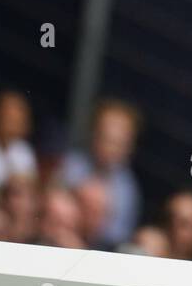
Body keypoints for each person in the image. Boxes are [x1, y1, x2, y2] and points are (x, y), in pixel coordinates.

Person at [60, 97, 142, 248]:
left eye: (118, 142)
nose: (110, 147)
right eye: (106, 138)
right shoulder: (72, 165)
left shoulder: (127, 189)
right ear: (94, 134)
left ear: (129, 146)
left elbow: (118, 237)